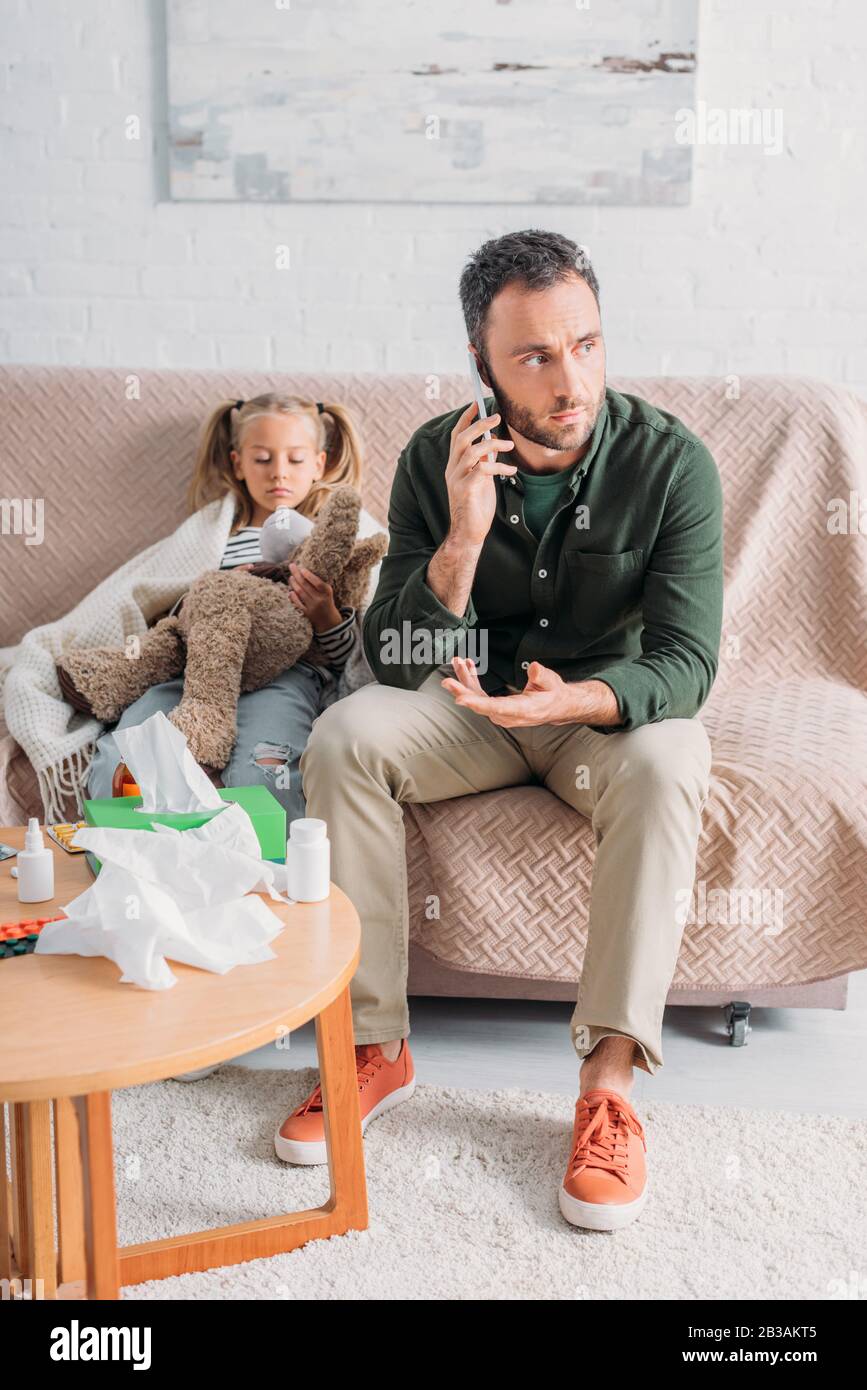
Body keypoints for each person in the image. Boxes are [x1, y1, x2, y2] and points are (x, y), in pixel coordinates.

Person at [277, 230, 724, 1233]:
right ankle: (371, 1046)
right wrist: (465, 534)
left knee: (673, 756)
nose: (572, 378)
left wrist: (568, 701)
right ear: (485, 365)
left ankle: (609, 1084)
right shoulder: (441, 453)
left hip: (596, 718)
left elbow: (687, 667)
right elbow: (394, 659)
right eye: (535, 356)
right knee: (346, 734)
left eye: (587, 344)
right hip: (468, 708)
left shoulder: (673, 465)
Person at [86, 392, 364, 823]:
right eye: (262, 459)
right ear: (237, 463)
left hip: (284, 676)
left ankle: (272, 879)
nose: (278, 473)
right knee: (127, 751)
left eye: (294, 460)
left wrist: (323, 614)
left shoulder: (332, 541)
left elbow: (355, 652)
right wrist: (212, 594)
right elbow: (159, 601)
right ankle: (128, 864)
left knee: (268, 768)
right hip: (195, 669)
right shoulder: (213, 533)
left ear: (319, 464)